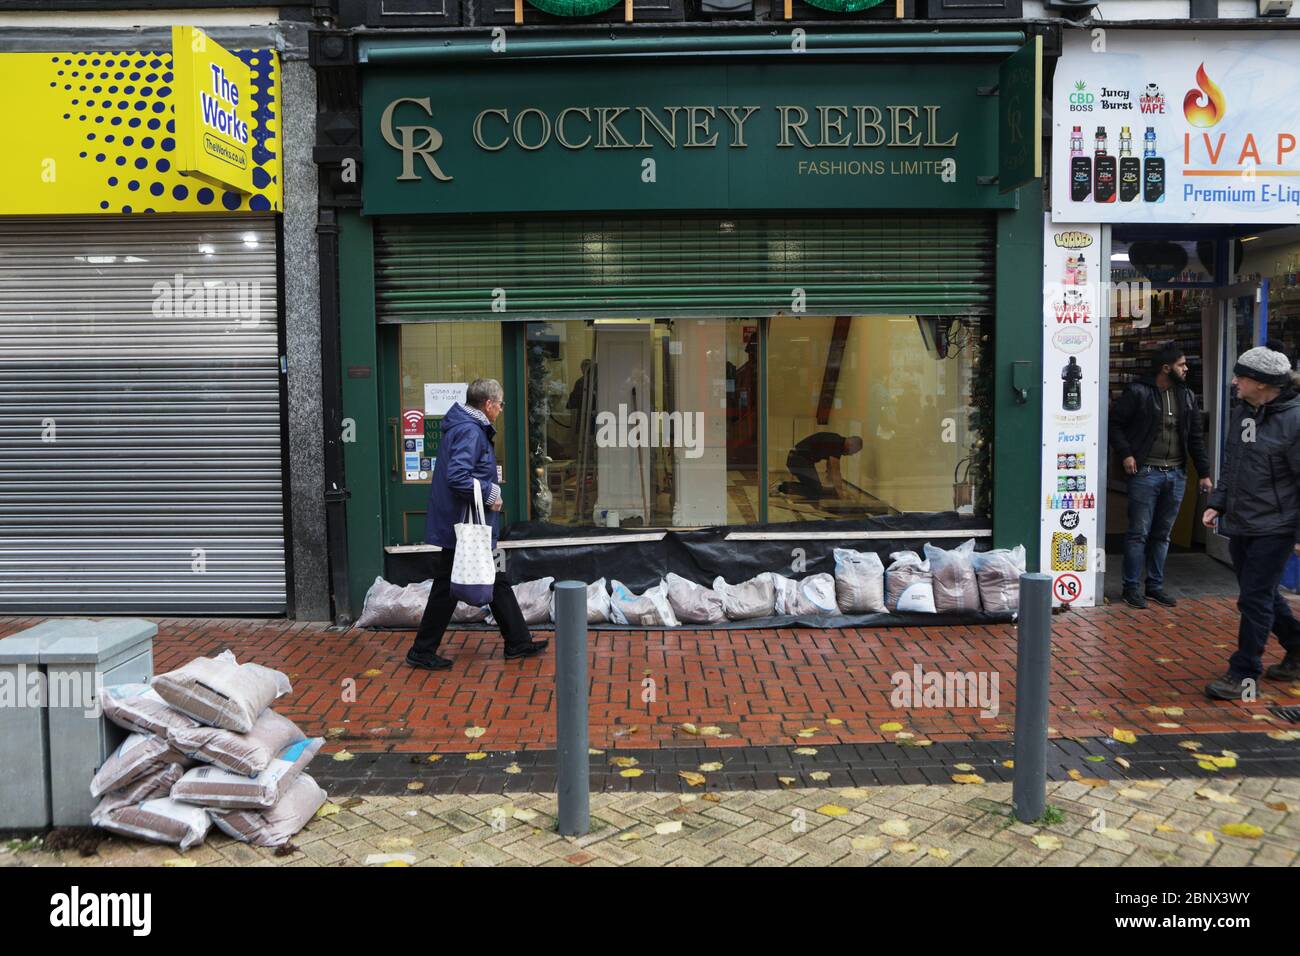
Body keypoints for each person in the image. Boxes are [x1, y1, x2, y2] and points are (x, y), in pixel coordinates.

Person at [406, 378, 549, 670]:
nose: (500, 409)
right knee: (448, 586)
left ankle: (518, 640)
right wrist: (491, 493)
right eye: (500, 404)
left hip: (462, 522)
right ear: (488, 404)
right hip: (464, 526)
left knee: (495, 577)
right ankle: (421, 650)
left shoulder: (465, 427)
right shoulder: (470, 432)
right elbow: (458, 477)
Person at [1201, 346, 1300, 700]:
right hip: (1243, 521)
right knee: (1262, 594)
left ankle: (1243, 675)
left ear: (1261, 383)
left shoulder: (1294, 421)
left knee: (1254, 599)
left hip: (1276, 526)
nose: (1234, 382)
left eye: (1240, 376)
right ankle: (1296, 645)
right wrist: (1218, 503)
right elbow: (1233, 462)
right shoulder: (1244, 413)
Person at [1108, 342, 1213, 609]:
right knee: (1138, 533)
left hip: (1175, 473)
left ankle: (1154, 586)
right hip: (1146, 472)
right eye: (1182, 364)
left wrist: (1204, 473)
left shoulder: (1186, 396)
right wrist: (1126, 454)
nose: (1187, 368)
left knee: (1163, 534)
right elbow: (1116, 424)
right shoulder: (1139, 392)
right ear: (1166, 368)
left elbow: (1194, 438)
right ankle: (1131, 588)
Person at [776, 432, 864, 499]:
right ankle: (782, 487)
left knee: (816, 488)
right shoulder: (837, 444)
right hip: (798, 460)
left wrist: (835, 489)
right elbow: (835, 470)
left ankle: (784, 486)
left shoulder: (837, 441)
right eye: (854, 451)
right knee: (816, 491)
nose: (851, 454)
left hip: (798, 459)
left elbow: (830, 468)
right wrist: (841, 494)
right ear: (851, 445)